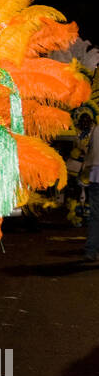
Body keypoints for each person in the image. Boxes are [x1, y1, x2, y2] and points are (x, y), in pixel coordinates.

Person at [83, 110, 99, 262]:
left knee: (95, 217)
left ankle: (91, 250)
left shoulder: (95, 129)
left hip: (95, 176)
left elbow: (90, 153)